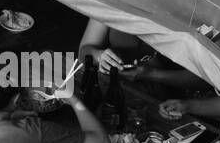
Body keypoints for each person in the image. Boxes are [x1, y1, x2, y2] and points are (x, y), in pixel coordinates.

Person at [78, 19, 212, 98]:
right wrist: (98, 56)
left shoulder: (191, 14)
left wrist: (151, 74)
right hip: (113, 91)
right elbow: (83, 52)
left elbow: (207, 81)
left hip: (166, 103)